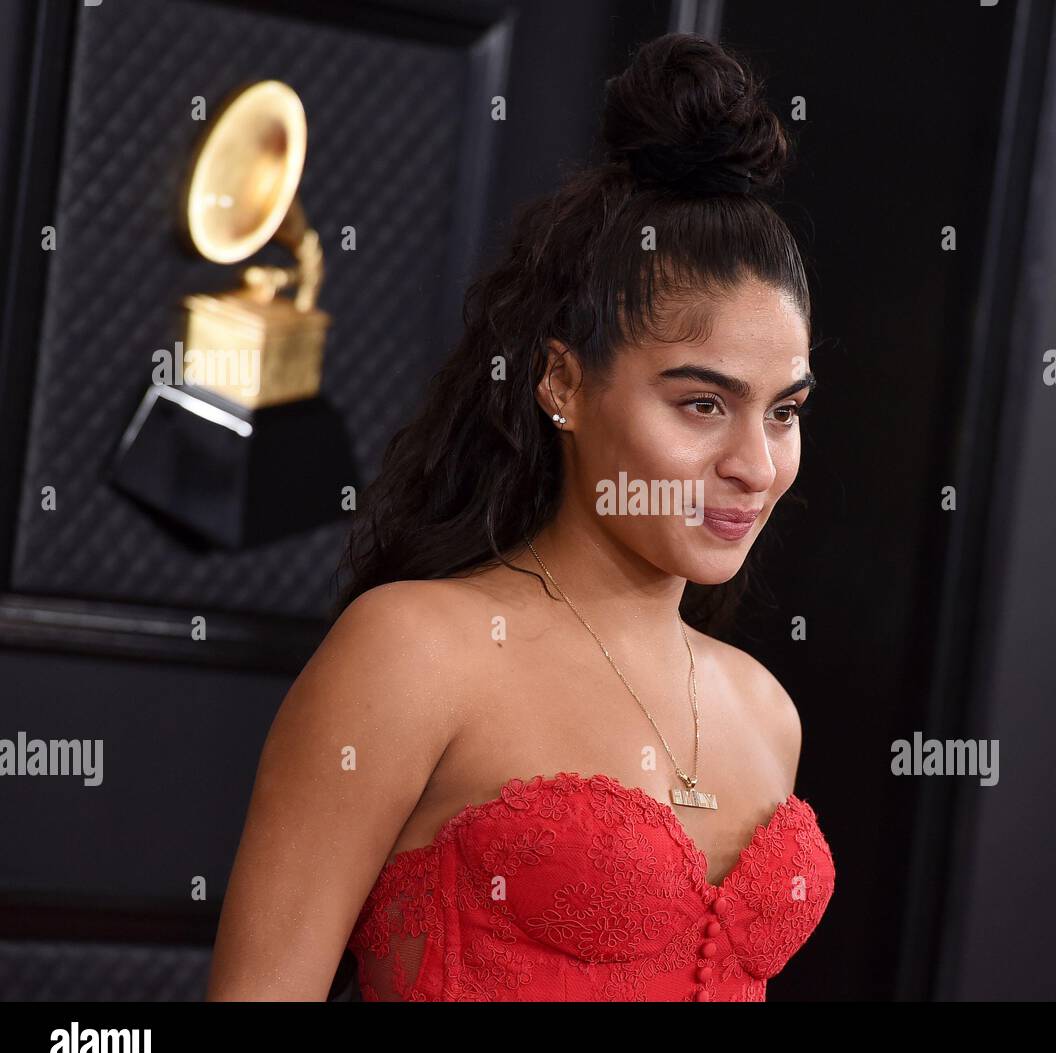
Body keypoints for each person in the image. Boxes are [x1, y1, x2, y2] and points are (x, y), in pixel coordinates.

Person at [206, 31, 834, 1002]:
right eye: (701, 404)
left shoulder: (764, 710)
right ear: (562, 384)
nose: (754, 465)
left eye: (783, 412)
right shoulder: (415, 653)